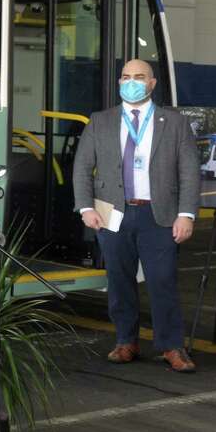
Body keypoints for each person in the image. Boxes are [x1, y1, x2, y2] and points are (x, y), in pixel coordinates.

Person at [72, 59, 200, 372]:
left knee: (163, 281)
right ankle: (125, 341)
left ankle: (171, 347)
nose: (132, 81)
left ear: (152, 83)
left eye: (140, 77)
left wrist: (186, 214)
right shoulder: (100, 121)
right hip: (112, 214)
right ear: (119, 83)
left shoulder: (174, 122)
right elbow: (81, 167)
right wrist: (86, 207)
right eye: (126, 77)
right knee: (119, 282)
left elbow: (189, 171)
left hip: (160, 215)